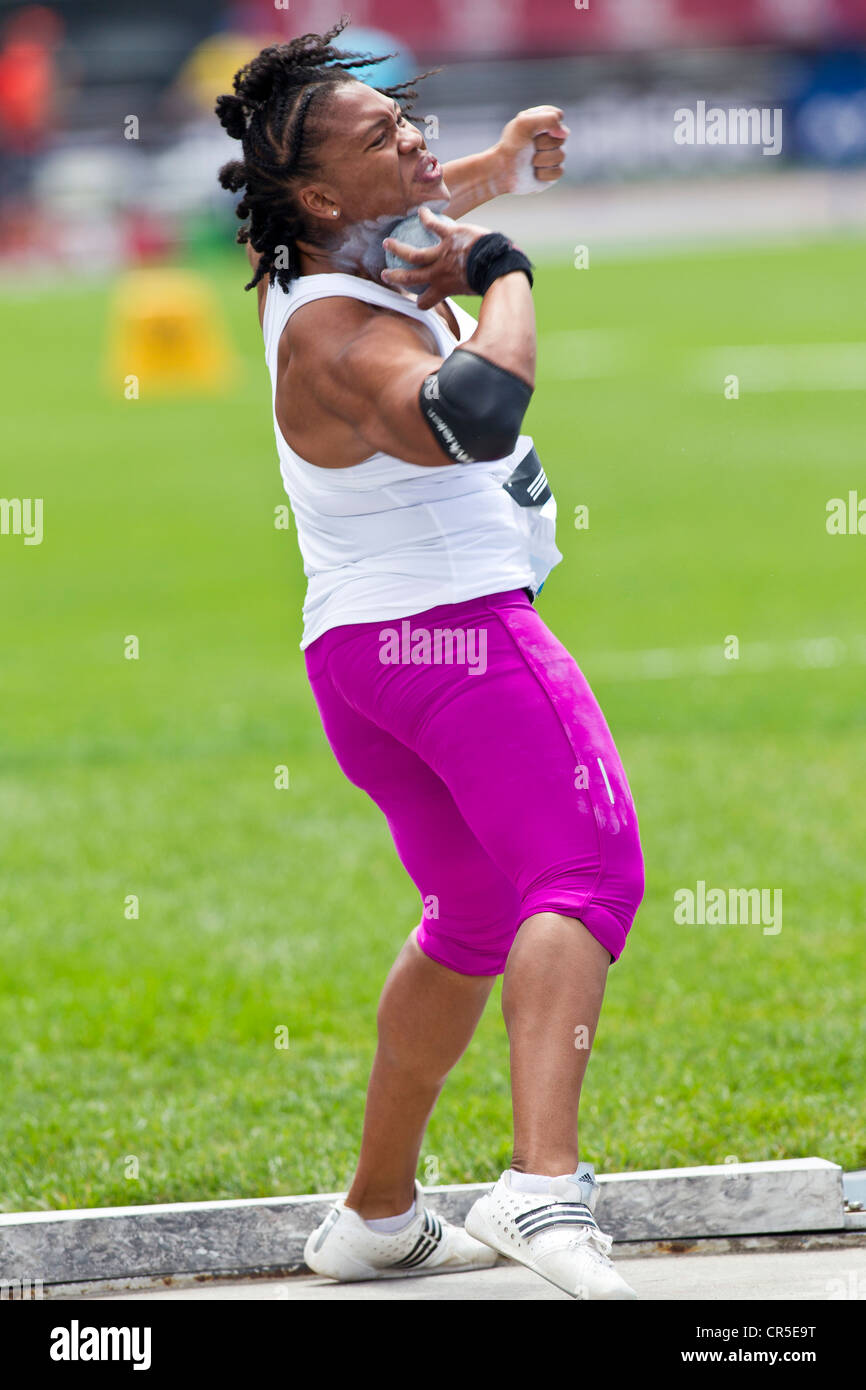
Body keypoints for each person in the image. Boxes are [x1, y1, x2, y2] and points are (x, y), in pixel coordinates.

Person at [216, 19, 644, 1300]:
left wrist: (494, 171)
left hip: (363, 664)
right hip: (458, 640)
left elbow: (413, 215)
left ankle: (376, 1215)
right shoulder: (342, 341)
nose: (414, 138)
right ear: (315, 193)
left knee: (468, 922)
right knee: (585, 869)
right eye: (380, 134)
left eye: (406, 115)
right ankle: (540, 1188)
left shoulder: (326, 247)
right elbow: (475, 411)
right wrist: (506, 262)